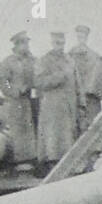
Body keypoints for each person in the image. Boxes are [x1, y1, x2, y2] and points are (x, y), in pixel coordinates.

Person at [35, 31, 78, 170]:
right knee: (52, 138)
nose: (60, 46)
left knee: (68, 138)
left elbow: (78, 83)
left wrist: (81, 102)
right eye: (57, 43)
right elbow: (39, 82)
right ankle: (51, 164)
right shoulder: (44, 60)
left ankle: (66, 164)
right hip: (52, 106)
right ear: (52, 43)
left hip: (68, 105)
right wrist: (59, 77)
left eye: (62, 43)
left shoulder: (70, 60)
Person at [0, 32, 37, 167]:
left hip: (31, 99)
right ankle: (20, 160)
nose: (26, 46)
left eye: (27, 43)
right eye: (23, 43)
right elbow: (3, 84)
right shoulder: (8, 62)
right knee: (18, 129)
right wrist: (15, 91)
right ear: (17, 45)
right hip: (16, 101)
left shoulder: (33, 60)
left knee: (32, 128)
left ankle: (32, 158)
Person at [70, 24, 102, 133]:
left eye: (83, 36)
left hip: (91, 102)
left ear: (86, 38)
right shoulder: (69, 57)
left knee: (92, 130)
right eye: (79, 36)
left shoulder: (95, 58)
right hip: (75, 100)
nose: (81, 39)